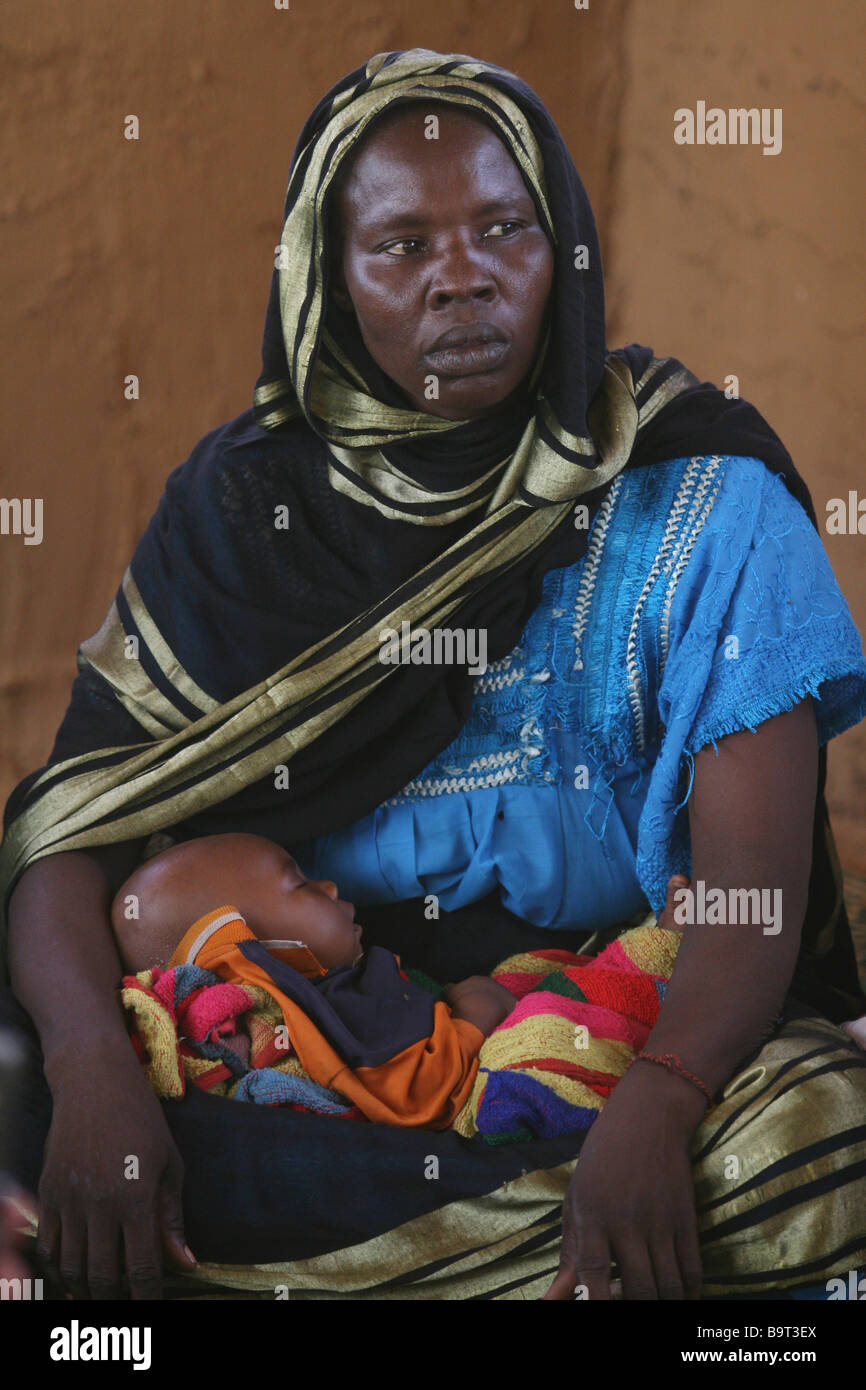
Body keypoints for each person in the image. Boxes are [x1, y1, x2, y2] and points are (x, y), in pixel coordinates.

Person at [2, 47, 866, 1302]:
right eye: (402, 246)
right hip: (305, 1067)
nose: (463, 276)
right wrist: (91, 1071)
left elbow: (745, 890)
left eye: (505, 227)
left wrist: (662, 1103)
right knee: (50, 1121)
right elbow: (65, 838)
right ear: (328, 285)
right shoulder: (246, 514)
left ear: (558, 247)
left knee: (816, 1144)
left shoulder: (703, 501)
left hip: (599, 1057)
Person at [113, 831, 514, 1127]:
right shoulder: (332, 1007)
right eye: (301, 884)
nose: (330, 886)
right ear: (248, 952)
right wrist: (478, 1004)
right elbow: (423, 1089)